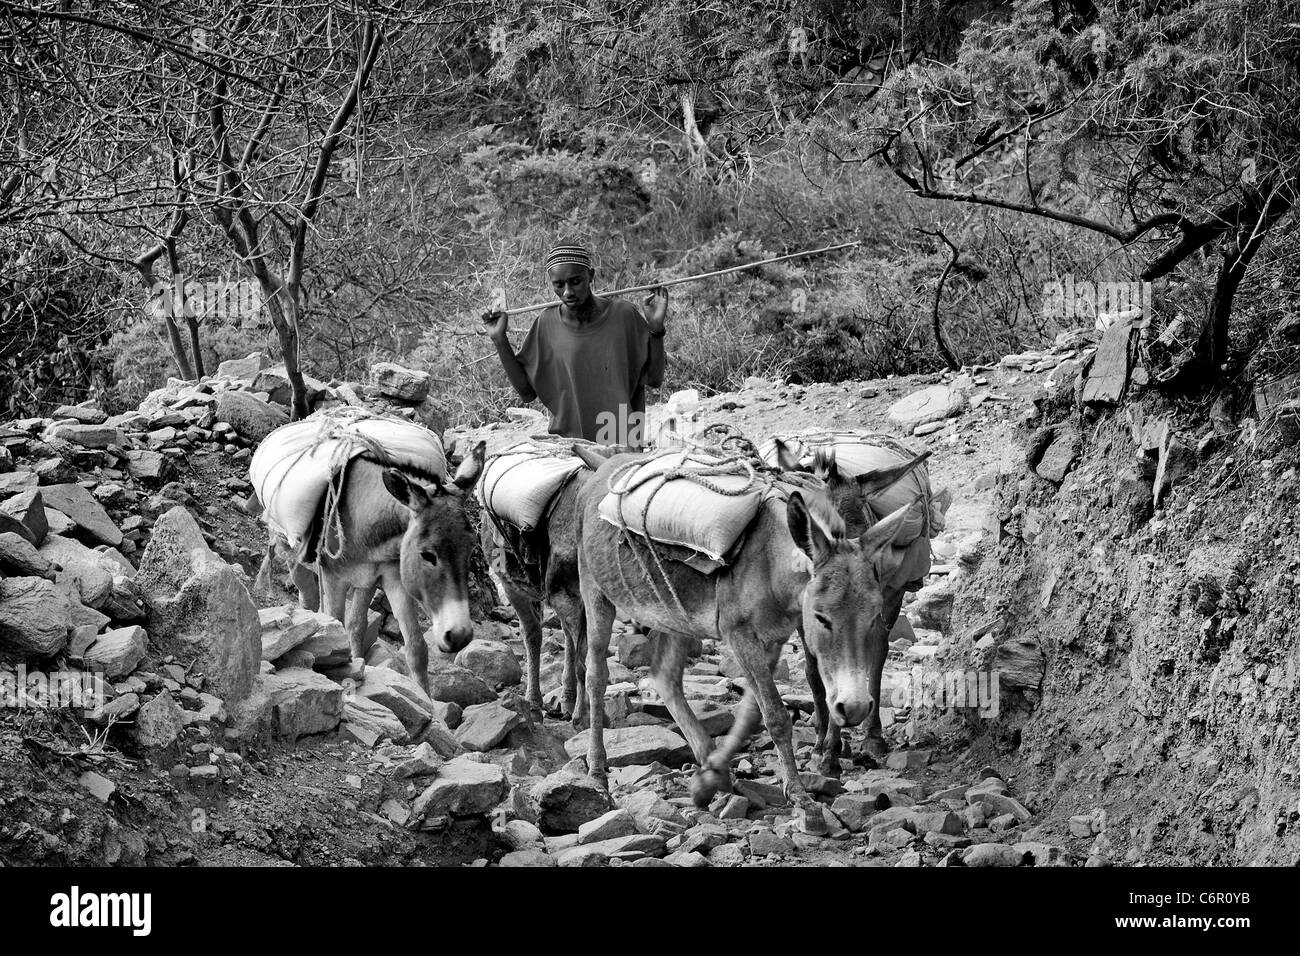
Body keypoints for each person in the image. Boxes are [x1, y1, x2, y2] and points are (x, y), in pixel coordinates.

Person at [483, 242, 667, 449]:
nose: (567, 292)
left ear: (591, 275)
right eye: (559, 285)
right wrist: (499, 339)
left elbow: (654, 379)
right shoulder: (547, 324)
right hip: (569, 448)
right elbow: (527, 392)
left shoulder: (623, 315)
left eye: (575, 281)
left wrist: (656, 329)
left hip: (622, 446)